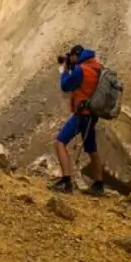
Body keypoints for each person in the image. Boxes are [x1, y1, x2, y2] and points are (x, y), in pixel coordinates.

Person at [50, 45, 105, 195]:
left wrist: (63, 70)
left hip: (82, 114)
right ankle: (99, 185)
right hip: (93, 114)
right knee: (91, 148)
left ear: (76, 55)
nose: (70, 59)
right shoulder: (97, 66)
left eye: (71, 57)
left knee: (59, 142)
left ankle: (66, 181)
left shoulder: (81, 70)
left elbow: (65, 86)